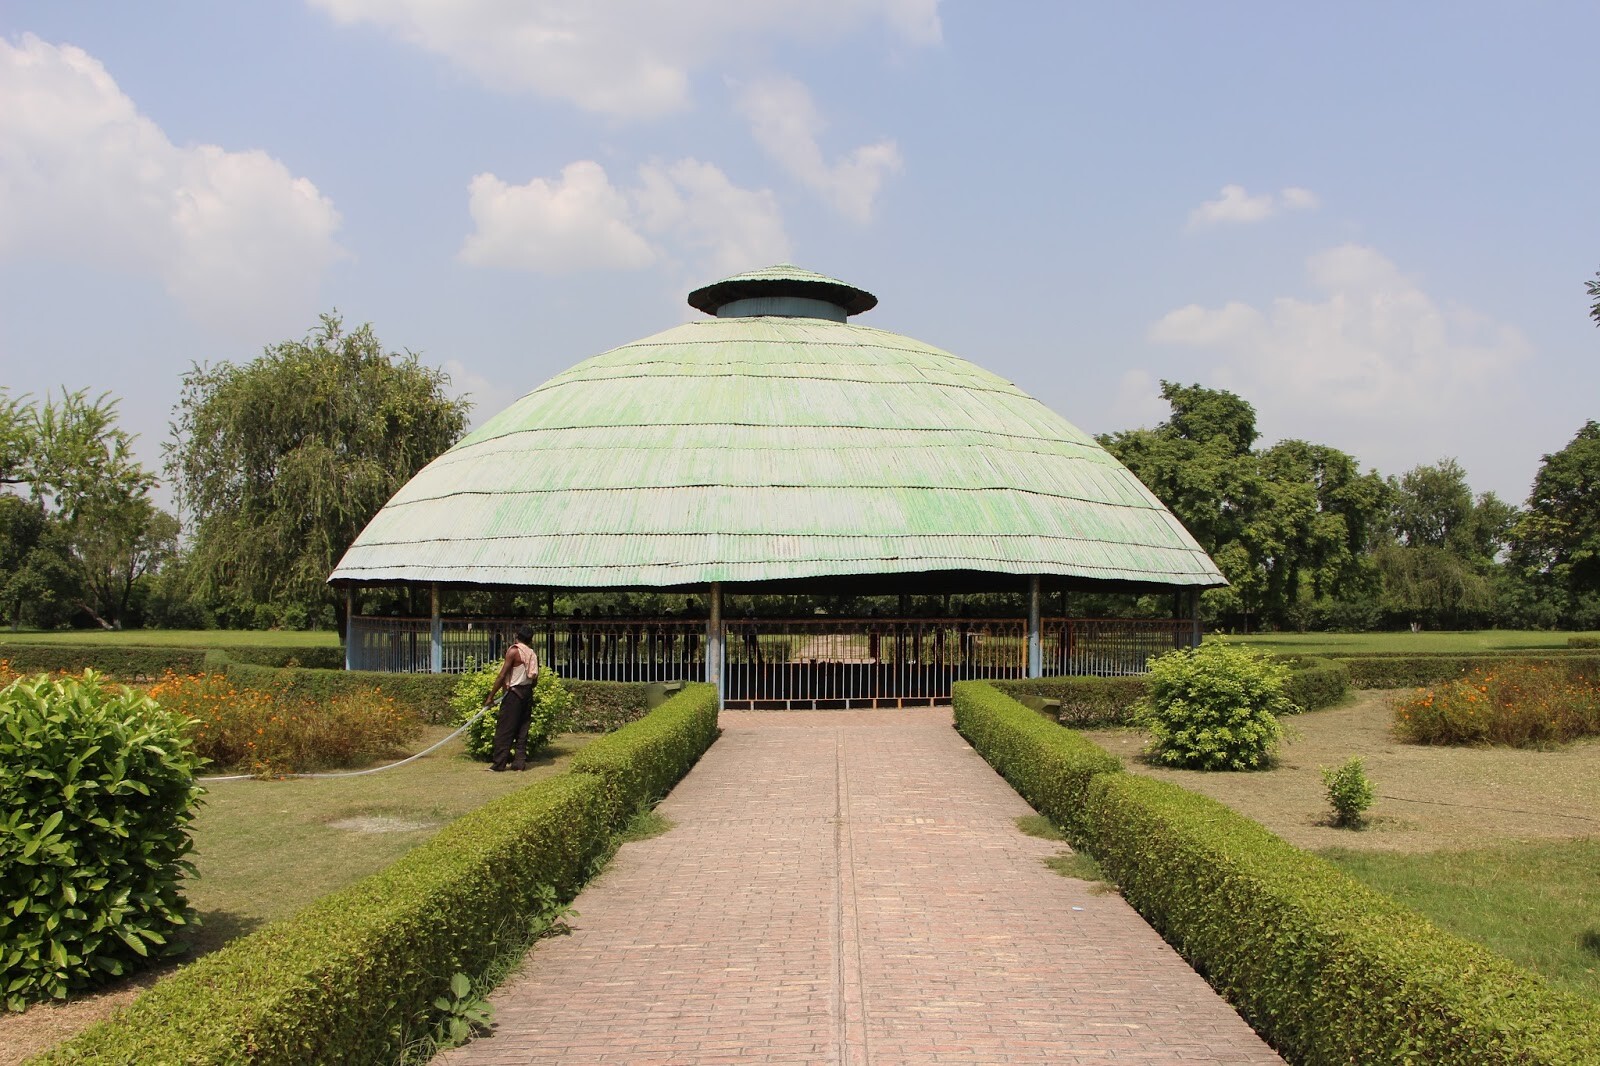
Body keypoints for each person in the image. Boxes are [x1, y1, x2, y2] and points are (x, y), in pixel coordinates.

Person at [484, 625, 539, 771]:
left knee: (505, 730)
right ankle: (519, 764)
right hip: (527, 692)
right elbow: (535, 680)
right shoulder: (532, 654)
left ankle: (499, 764)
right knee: (522, 729)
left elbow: (502, 675)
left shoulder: (514, 651)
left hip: (513, 694)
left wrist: (491, 697)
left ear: (517, 636)